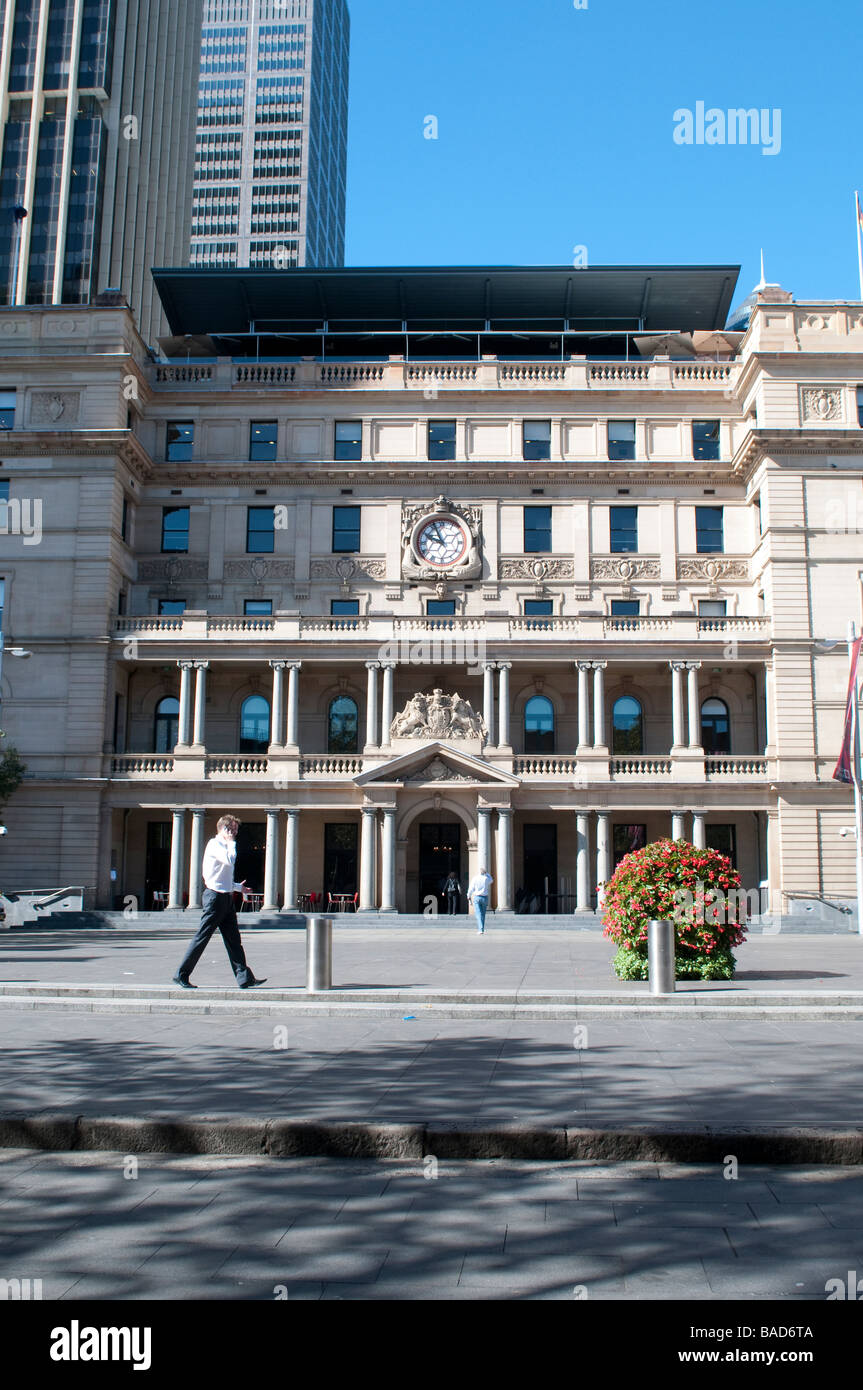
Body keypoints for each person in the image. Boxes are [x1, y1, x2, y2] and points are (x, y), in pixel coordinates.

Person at [173, 814, 267, 990]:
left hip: (225, 897)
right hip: (214, 898)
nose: (235, 833)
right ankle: (181, 974)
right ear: (224, 829)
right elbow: (230, 860)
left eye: (236, 830)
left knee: (234, 940)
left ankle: (244, 977)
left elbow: (222, 878)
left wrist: (239, 888)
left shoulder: (224, 846)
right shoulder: (215, 845)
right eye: (232, 829)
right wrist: (231, 842)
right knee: (202, 937)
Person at [467, 866, 494, 934]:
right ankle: (482, 928)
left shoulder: (475, 878)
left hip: (477, 897)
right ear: (484, 872)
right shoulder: (486, 878)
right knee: (483, 914)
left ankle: (480, 929)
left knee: (478, 914)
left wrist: (468, 895)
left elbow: (471, 888)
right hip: (485, 897)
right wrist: (487, 873)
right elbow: (491, 880)